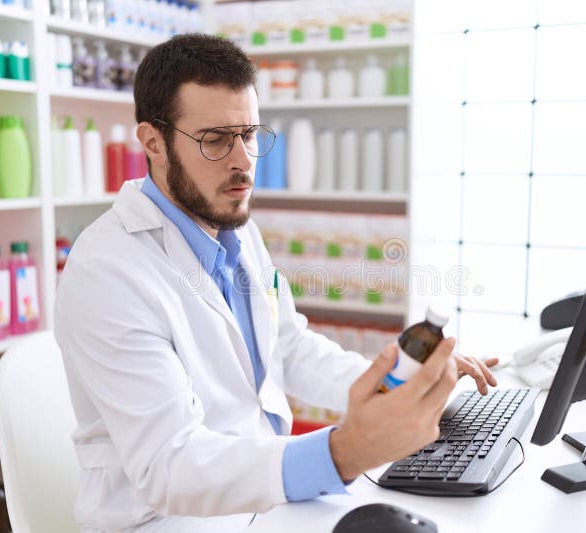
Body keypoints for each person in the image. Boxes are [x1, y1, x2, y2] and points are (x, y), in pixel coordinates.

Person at [54, 34, 497, 532]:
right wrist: (341, 452)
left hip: (263, 499)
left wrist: (398, 379)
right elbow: (168, 465)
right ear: (153, 143)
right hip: (169, 519)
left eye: (249, 134)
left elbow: (286, 345)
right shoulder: (106, 271)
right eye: (216, 140)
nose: (243, 160)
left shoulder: (233, 227)